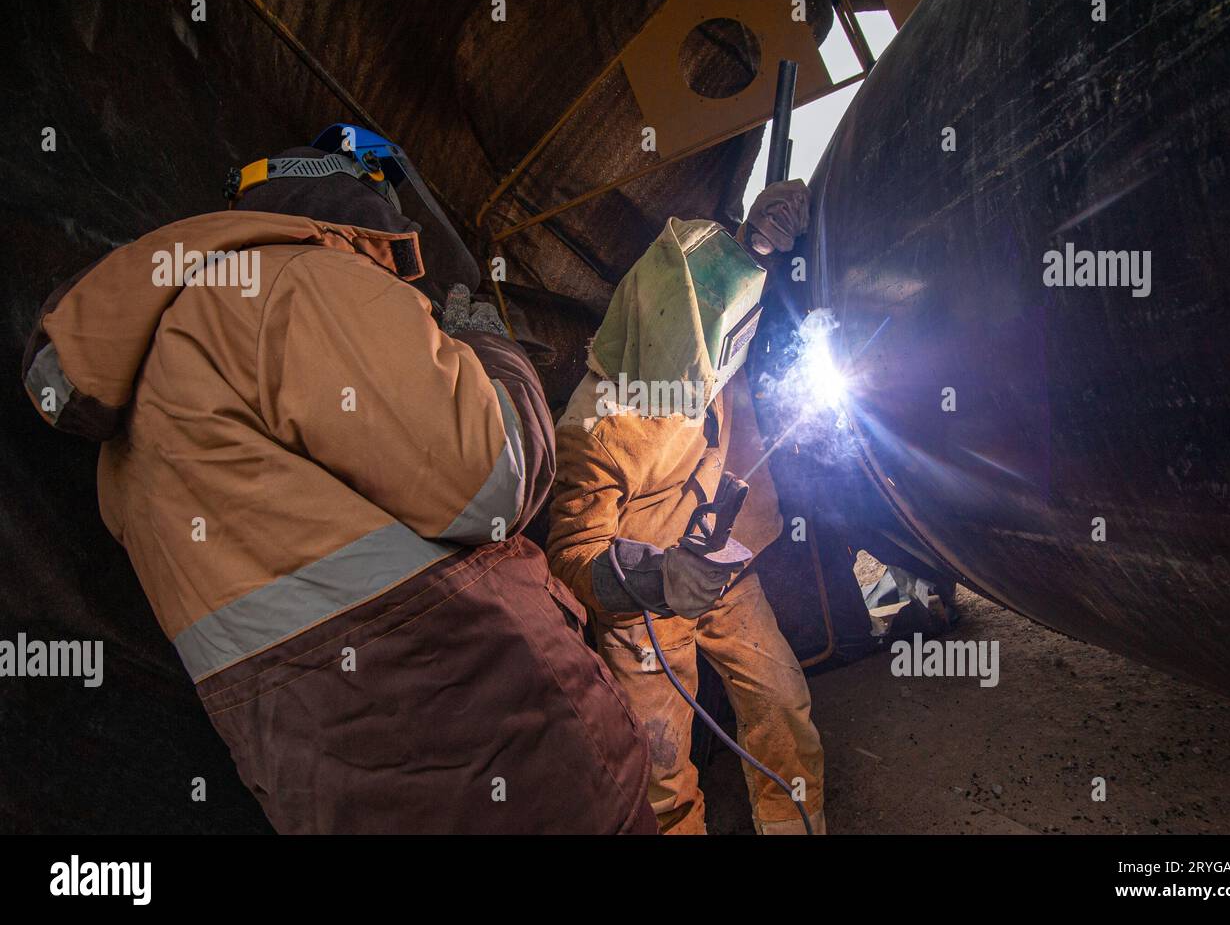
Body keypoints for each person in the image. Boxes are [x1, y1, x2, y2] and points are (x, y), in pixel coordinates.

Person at [21, 125, 655, 834]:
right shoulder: (307, 279)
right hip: (500, 751)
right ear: (351, 211)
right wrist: (488, 348)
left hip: (337, 790)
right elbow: (496, 479)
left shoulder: (135, 423)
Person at [546, 182, 826, 834]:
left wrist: (759, 236)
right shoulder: (595, 428)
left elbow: (725, 287)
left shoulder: (709, 328)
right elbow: (570, 554)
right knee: (664, 772)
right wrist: (653, 577)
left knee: (782, 705)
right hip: (643, 606)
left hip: (722, 570)